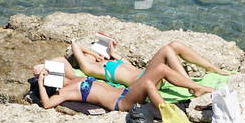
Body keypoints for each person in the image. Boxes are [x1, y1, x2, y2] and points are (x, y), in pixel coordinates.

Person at [66, 36, 223, 98]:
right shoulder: (91, 69)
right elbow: (75, 45)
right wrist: (88, 52)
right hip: (143, 82)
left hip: (147, 74)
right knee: (167, 50)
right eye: (85, 55)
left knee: (173, 45)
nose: (90, 54)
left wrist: (113, 52)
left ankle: (208, 68)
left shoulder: (110, 62)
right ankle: (194, 86)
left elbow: (129, 66)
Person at [31, 60, 180, 114]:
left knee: (161, 69)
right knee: (148, 83)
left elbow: (61, 60)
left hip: (126, 92)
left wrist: (43, 67)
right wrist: (40, 83)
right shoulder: (64, 92)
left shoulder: (74, 79)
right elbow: (47, 104)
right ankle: (170, 115)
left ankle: (193, 90)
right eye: (50, 75)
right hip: (121, 102)